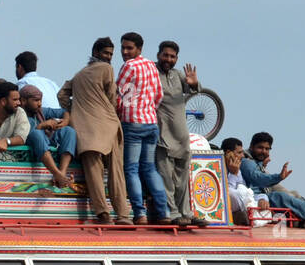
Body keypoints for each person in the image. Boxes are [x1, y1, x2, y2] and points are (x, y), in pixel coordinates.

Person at [58, 37, 131, 224]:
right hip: (108, 125)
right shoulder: (107, 69)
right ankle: (123, 215)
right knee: (116, 173)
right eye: (106, 53)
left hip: (84, 131)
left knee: (93, 172)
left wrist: (74, 110)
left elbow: (62, 94)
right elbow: (112, 97)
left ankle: (103, 214)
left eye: (111, 54)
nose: (109, 57)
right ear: (96, 52)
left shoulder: (79, 75)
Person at [115, 32, 170, 224]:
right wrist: (148, 110)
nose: (125, 52)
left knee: (131, 169)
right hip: (151, 123)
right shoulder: (151, 66)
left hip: (132, 123)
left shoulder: (128, 66)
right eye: (123, 48)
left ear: (139, 49)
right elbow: (159, 95)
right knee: (149, 169)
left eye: (129, 48)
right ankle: (164, 212)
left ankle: (140, 213)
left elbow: (119, 96)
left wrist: (122, 111)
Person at [154, 40, 206, 225]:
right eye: (165, 55)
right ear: (158, 55)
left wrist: (194, 83)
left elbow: (194, 89)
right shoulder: (152, 73)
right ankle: (173, 214)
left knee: (182, 180)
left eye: (172, 57)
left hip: (182, 136)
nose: (168, 59)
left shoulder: (177, 75)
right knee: (166, 179)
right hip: (163, 136)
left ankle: (186, 214)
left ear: (176, 59)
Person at [240, 132, 305, 224]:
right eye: (260, 148)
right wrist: (278, 177)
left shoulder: (256, 162)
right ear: (251, 146)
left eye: (267, 149)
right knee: (279, 196)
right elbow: (257, 178)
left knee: (294, 194)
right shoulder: (246, 162)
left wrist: (263, 165)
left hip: (263, 196)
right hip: (255, 199)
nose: (264, 151)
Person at [18, 84, 76, 188]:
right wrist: (42, 126)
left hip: (47, 142)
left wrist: (65, 121)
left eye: (40, 100)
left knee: (69, 131)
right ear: (24, 101)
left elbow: (64, 112)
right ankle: (57, 174)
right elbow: (26, 135)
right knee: (36, 134)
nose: (39, 104)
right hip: (32, 149)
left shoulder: (41, 111)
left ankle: (62, 172)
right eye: (36, 100)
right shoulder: (19, 115)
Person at [221, 138, 270, 225]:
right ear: (228, 153)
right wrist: (233, 174)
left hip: (242, 208)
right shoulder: (219, 167)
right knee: (231, 193)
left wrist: (262, 198)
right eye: (239, 152)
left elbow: (247, 194)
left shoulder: (237, 169)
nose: (243, 156)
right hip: (226, 209)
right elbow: (228, 195)